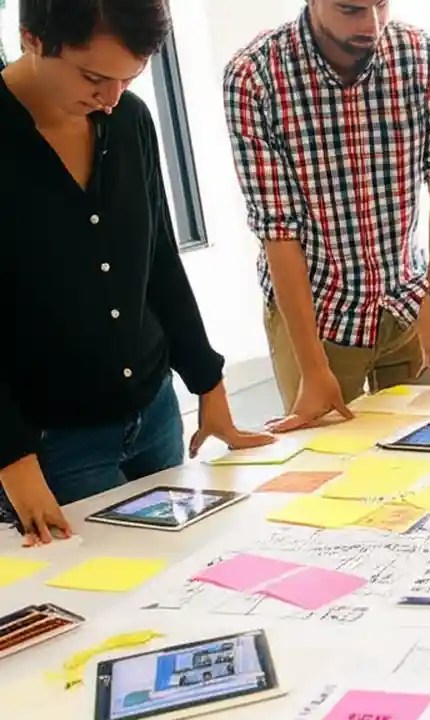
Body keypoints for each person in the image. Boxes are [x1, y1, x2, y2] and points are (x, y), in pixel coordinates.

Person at [0, 0, 272, 546]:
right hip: (53, 442)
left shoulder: (129, 120)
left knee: (179, 569)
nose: (111, 98)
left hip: (156, 412)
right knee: (99, 587)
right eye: (93, 77)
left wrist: (208, 383)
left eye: (129, 78)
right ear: (32, 38)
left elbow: (160, 262)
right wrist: (11, 456)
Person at [224, 0, 430, 433]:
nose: (372, 25)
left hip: (410, 303)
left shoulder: (421, 56)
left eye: (381, 5)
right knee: (328, 461)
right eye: (351, 9)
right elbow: (278, 230)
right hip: (316, 315)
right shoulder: (254, 77)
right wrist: (313, 368)